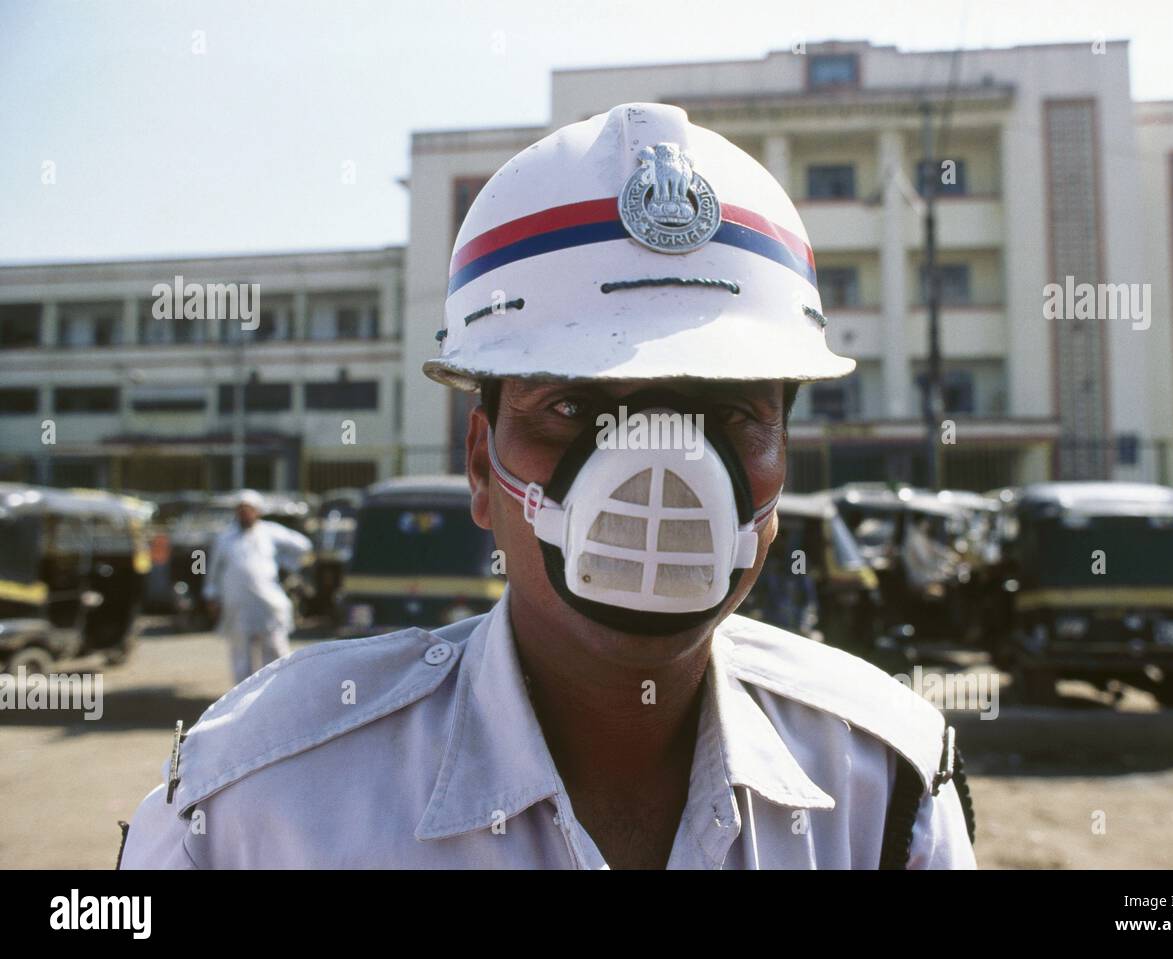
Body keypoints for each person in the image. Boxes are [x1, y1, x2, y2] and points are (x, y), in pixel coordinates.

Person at [119, 102, 976, 869]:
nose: (659, 474)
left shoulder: (886, 788)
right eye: (572, 405)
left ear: (783, 455)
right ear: (480, 465)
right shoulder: (254, 807)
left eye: (724, 411)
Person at [203, 489, 312, 684]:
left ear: (258, 511)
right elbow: (213, 571)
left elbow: (303, 546)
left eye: (249, 509)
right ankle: (242, 704)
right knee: (240, 657)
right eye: (241, 509)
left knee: (276, 652)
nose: (245, 513)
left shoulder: (270, 531)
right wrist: (211, 595)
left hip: (267, 604)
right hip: (237, 605)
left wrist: (287, 565)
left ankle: (279, 694)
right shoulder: (225, 538)